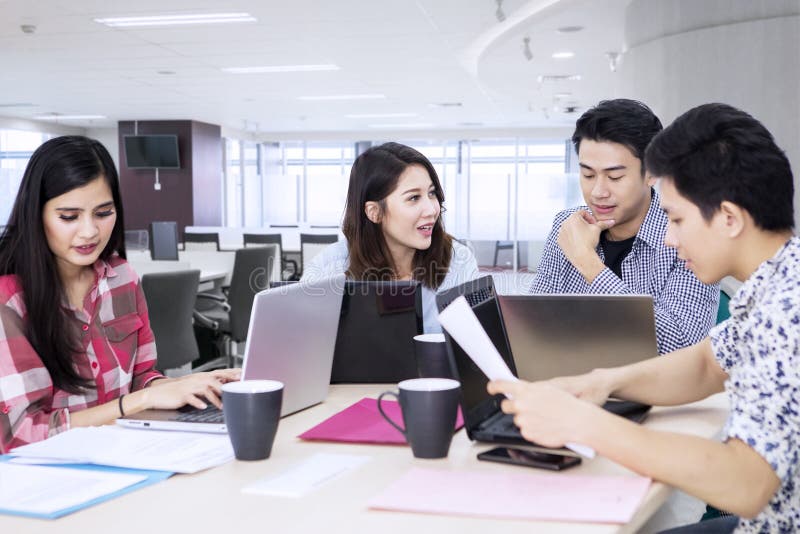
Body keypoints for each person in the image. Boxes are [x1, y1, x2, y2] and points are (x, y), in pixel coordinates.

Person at [490, 103, 798, 533]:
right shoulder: (773, 285)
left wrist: (584, 423)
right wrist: (600, 383)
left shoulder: (786, 309)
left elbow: (745, 484)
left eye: (676, 218)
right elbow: (706, 362)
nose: (668, 238)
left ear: (729, 218)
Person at [0, 136, 240, 453]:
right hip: (51, 469)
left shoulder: (121, 278)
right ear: (36, 214)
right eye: (69, 216)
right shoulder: (9, 301)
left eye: (103, 213)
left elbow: (141, 378)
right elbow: (20, 434)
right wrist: (141, 400)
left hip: (125, 452)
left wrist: (186, 386)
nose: (89, 231)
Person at [530, 99, 719, 354]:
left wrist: (588, 263)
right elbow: (534, 326)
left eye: (615, 176)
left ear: (651, 173)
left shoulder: (687, 236)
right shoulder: (567, 226)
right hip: (569, 374)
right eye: (588, 175)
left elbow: (682, 348)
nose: (598, 192)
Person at [302, 142, 478, 333]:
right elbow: (305, 340)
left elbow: (475, 341)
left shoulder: (458, 261)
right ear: (374, 212)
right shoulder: (329, 269)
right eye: (413, 198)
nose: (431, 210)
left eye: (432, 193)